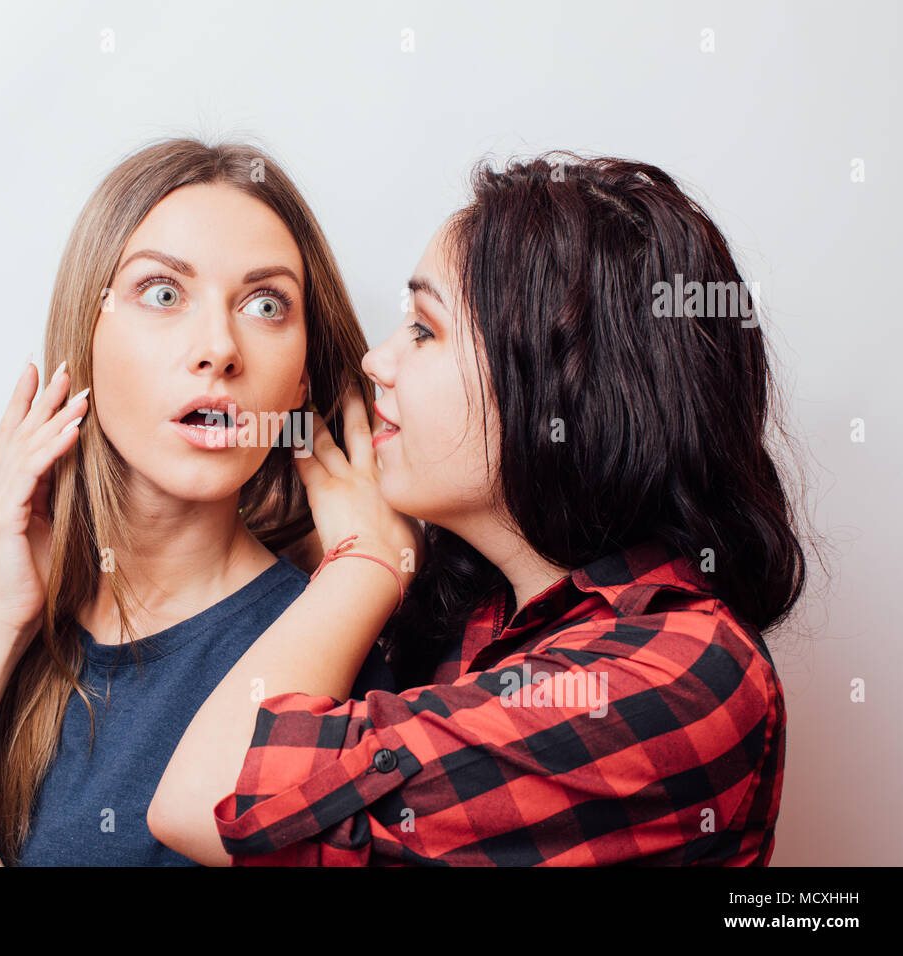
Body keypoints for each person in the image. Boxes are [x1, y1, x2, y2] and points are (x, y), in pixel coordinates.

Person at [148, 153, 806, 866]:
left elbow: (208, 799)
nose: (378, 361)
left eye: (425, 331)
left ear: (562, 383)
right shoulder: (469, 604)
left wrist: (363, 565)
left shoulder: (682, 676)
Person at [0, 137, 393, 866]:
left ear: (298, 386)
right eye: (163, 293)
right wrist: (2, 625)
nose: (219, 348)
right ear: (88, 329)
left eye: (265, 305)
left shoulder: (329, 638)